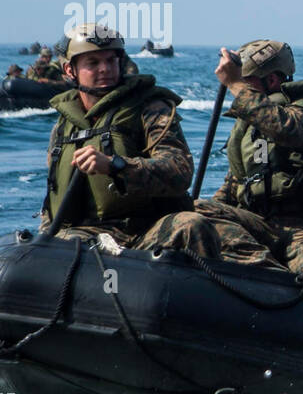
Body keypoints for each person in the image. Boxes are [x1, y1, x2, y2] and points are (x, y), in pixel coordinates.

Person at [40, 23, 223, 256]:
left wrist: (115, 165)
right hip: (84, 234)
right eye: (93, 63)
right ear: (69, 70)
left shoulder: (150, 108)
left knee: (192, 226)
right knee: (55, 249)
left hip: (144, 231)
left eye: (110, 60)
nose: (105, 69)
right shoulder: (63, 126)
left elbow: (179, 170)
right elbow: (53, 194)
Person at [210, 40, 303, 271]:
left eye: (246, 83)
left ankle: (276, 278)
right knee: (195, 215)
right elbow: (235, 184)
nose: (241, 92)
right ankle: (262, 270)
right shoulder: (250, 126)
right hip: (258, 223)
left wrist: (235, 84)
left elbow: (287, 129)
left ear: (271, 80)